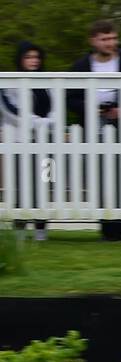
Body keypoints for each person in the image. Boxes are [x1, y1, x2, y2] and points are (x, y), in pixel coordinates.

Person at [67, 20, 121, 240]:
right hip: (94, 126)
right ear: (93, 40)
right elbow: (71, 98)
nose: (110, 43)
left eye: (113, 38)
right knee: (100, 178)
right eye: (104, 39)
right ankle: (107, 230)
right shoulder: (80, 65)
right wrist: (92, 108)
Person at [1, 42, 54, 240]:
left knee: (44, 183)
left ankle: (41, 229)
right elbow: (9, 111)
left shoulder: (49, 81)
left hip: (46, 143)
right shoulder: (10, 83)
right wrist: (37, 122)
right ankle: (20, 229)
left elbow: (56, 108)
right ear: (20, 59)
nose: (34, 61)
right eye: (29, 57)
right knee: (20, 185)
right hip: (19, 142)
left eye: (36, 57)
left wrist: (49, 123)